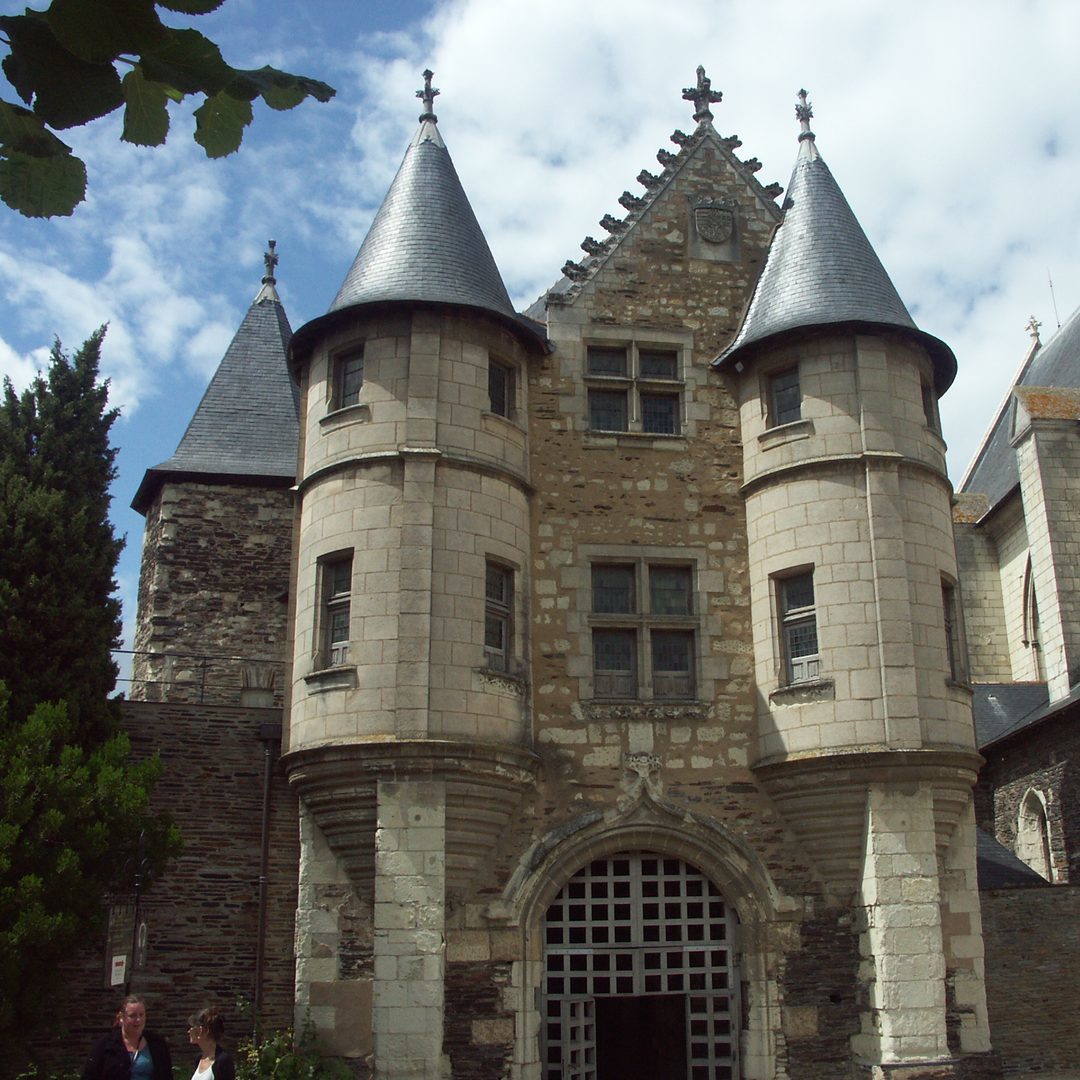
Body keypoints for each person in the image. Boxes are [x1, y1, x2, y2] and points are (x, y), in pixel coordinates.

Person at [81, 994, 173, 1080]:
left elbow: (167, 1076)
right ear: (121, 1017)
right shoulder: (105, 1045)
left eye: (141, 1015)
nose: (138, 1020)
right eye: (132, 1016)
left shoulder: (157, 1043)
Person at [187, 1007, 235, 1080]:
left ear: (202, 1030)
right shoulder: (199, 1059)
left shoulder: (223, 1060)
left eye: (192, 1027)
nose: (189, 1031)